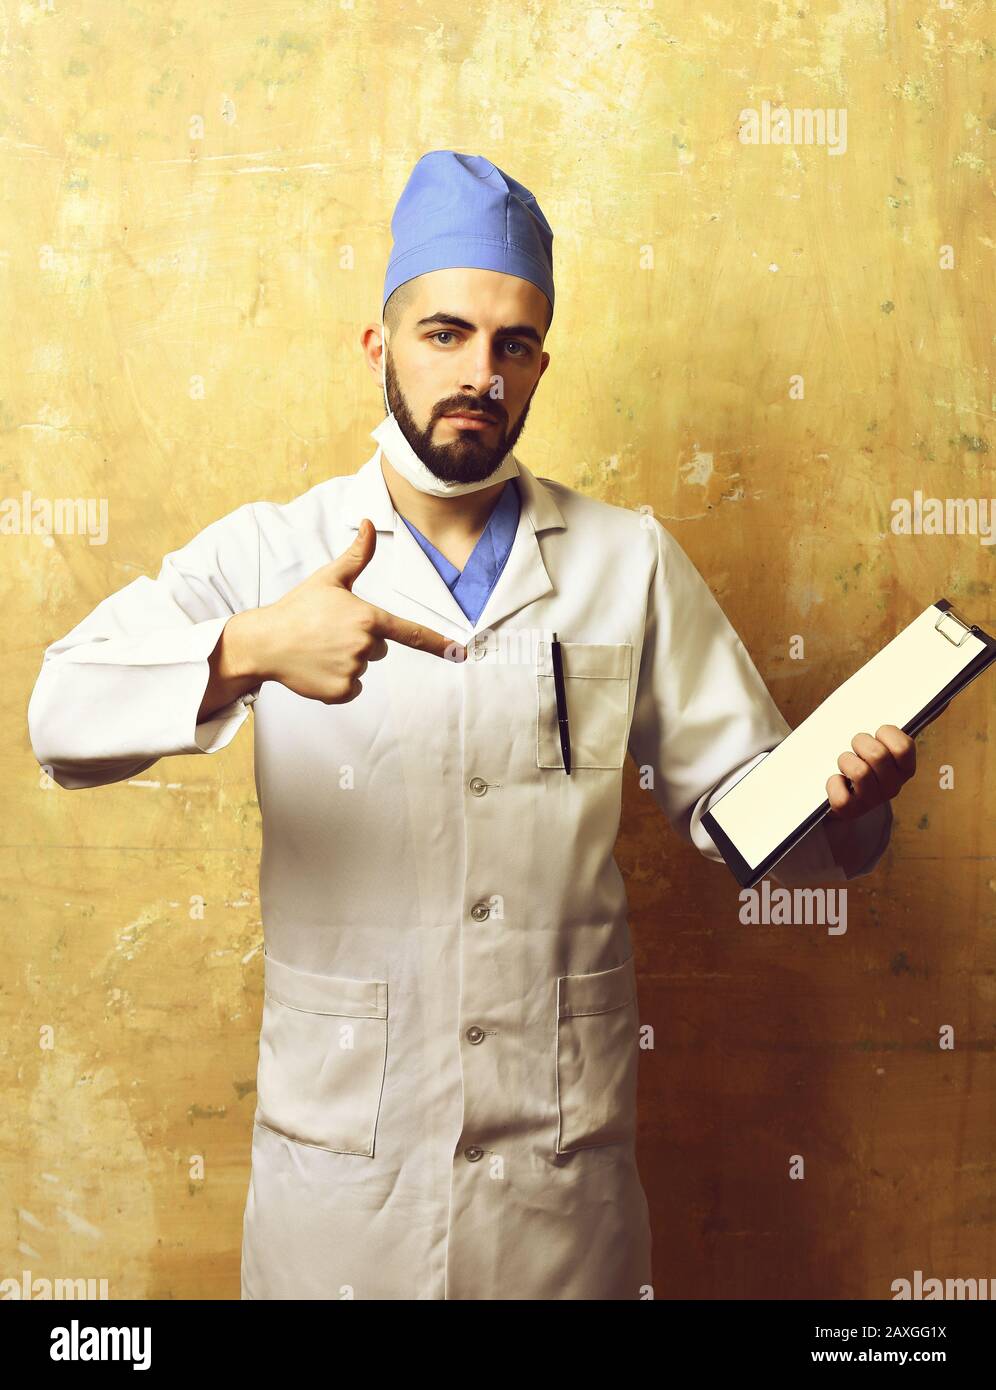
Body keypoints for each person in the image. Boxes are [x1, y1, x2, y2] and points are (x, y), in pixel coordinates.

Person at [28, 151, 920, 1300]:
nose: (479, 374)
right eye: (445, 334)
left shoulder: (624, 559)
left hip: (561, 1184)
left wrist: (846, 808)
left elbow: (737, 803)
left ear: (542, 362)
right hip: (345, 1191)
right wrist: (246, 651)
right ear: (378, 345)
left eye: (512, 344)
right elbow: (60, 713)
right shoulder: (270, 552)